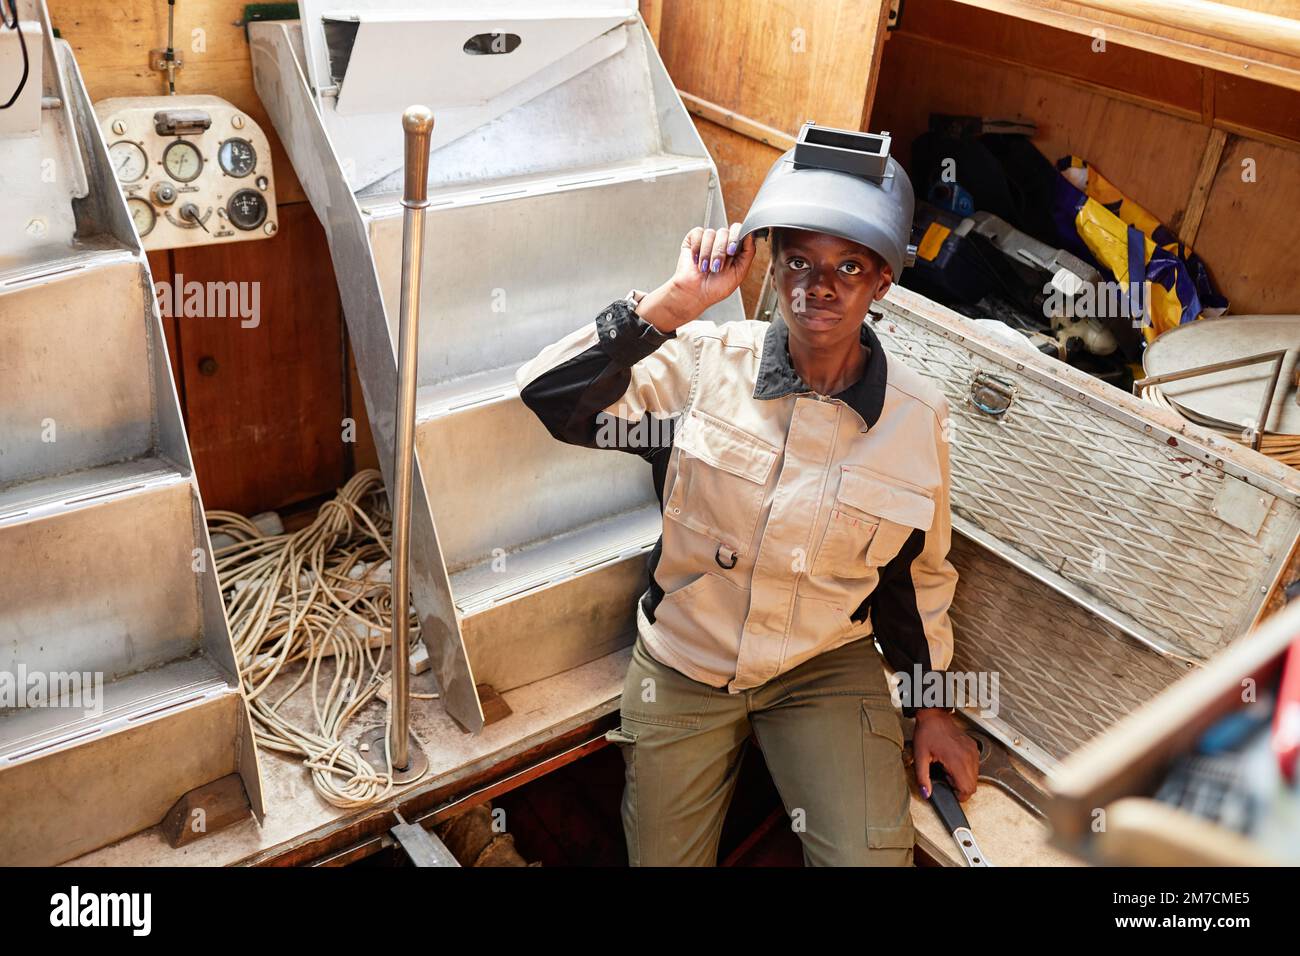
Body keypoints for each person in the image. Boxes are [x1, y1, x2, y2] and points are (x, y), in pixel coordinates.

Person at [515, 138, 978, 866]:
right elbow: (552, 397)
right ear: (769, 265)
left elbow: (915, 579)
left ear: (882, 282)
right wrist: (673, 304)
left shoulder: (918, 417)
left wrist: (933, 709)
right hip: (688, 659)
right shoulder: (703, 365)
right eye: (797, 261)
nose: (817, 287)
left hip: (822, 664)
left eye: (847, 268)